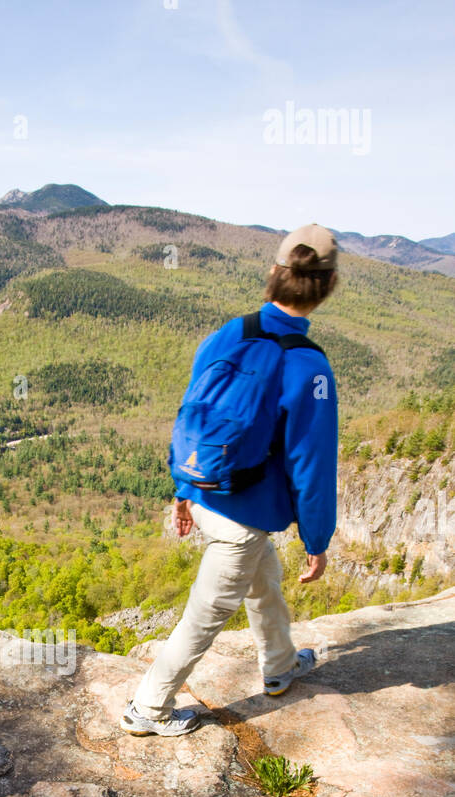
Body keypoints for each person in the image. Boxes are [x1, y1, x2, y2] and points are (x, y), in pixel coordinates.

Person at [122, 222, 339, 737]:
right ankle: (147, 710)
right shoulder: (308, 365)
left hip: (204, 495)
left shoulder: (229, 333)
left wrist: (183, 489)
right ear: (327, 287)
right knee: (203, 620)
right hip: (241, 519)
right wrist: (317, 539)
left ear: (273, 275)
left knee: (264, 586)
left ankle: (280, 667)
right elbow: (311, 464)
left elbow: (191, 416)